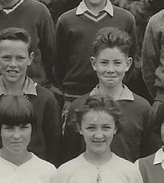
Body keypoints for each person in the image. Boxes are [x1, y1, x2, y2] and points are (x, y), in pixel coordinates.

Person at [54, 0, 139, 105]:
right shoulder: (66, 21)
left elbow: (131, 59)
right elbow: (58, 65)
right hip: (75, 98)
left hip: (114, 98)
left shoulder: (125, 19)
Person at [59, 27, 153, 163]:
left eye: (117, 63)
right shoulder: (78, 106)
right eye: (104, 63)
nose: (110, 70)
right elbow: (69, 156)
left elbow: (148, 157)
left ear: (128, 64)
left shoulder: (142, 108)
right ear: (94, 63)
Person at [0, 28, 63, 164]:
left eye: (20, 58)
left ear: (30, 58)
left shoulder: (46, 99)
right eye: (6, 58)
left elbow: (54, 148)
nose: (13, 65)